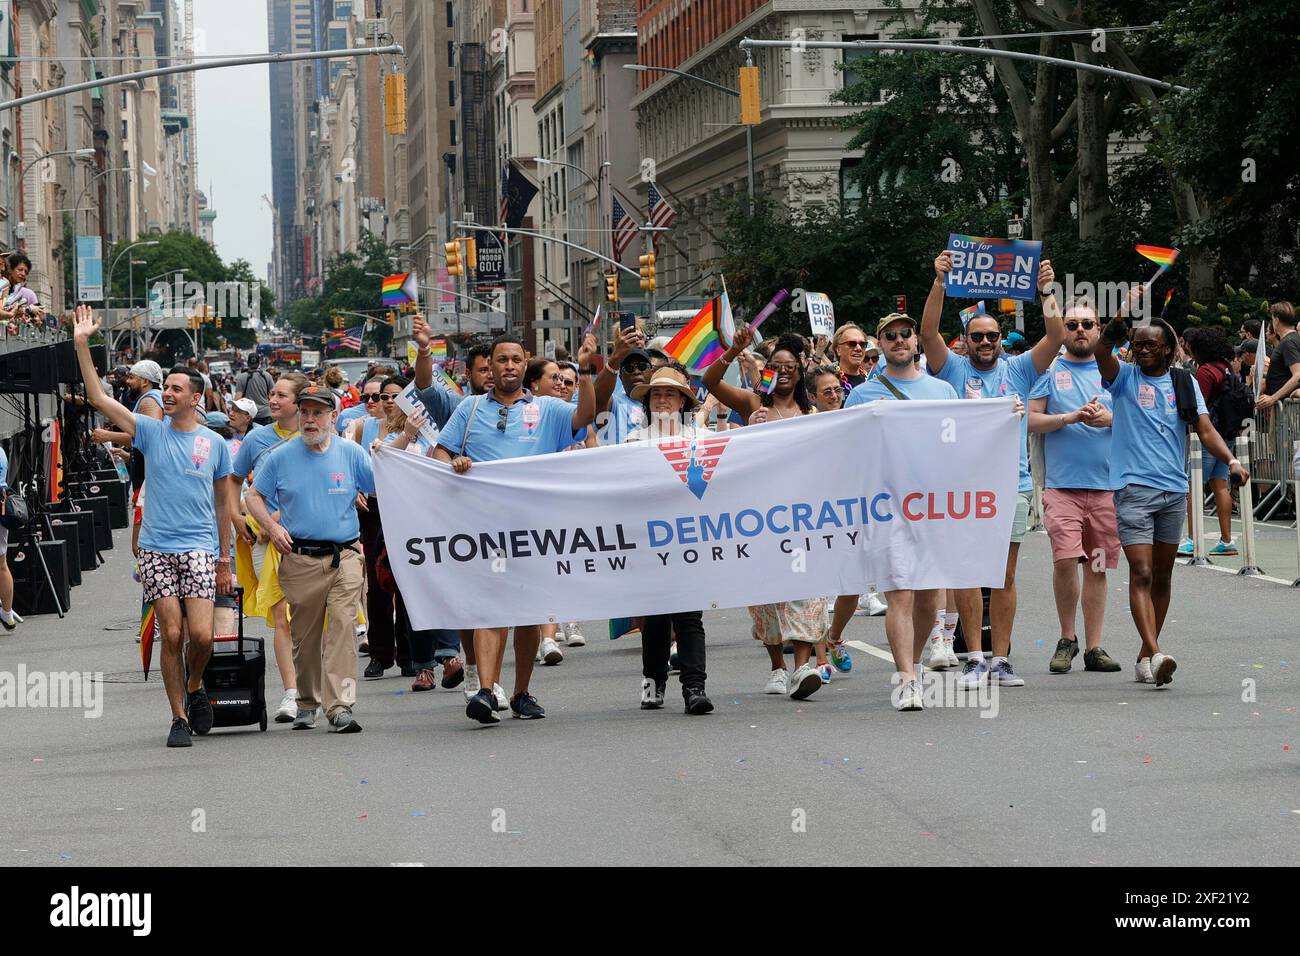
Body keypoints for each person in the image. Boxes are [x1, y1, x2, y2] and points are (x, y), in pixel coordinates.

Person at [73, 305, 234, 748]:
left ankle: (196, 684)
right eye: (167, 387)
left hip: (201, 548)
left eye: (178, 389)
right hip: (158, 550)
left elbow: (225, 503)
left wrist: (225, 558)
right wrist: (82, 344)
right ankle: (178, 717)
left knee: (201, 636)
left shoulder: (214, 443)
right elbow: (99, 398)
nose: (169, 393)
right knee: (174, 633)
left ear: (196, 399)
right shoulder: (151, 431)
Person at [434, 333, 597, 724]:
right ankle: (487, 691)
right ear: (490, 367)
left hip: (536, 529)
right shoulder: (470, 408)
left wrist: (587, 370)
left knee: (529, 611)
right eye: (500, 360)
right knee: (490, 608)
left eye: (515, 360)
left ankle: (522, 692)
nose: (508, 366)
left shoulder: (548, 408)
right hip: (485, 531)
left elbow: (585, 417)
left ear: (525, 364)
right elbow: (440, 451)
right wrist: (452, 464)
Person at [922, 250, 1065, 690]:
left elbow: (1056, 336)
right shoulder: (951, 370)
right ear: (965, 341)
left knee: (1003, 574)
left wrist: (1046, 291)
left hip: (1012, 487)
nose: (985, 344)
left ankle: (1000, 660)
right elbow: (927, 331)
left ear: (1001, 340)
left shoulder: (1019, 369)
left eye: (992, 337)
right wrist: (940, 282)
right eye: (977, 337)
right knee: (967, 571)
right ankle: (975, 659)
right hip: (963, 487)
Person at [1095, 310, 1248, 687]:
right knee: (1142, 572)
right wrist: (1111, 335)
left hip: (1173, 491)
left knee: (1163, 576)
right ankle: (1157, 650)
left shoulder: (1184, 382)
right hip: (1133, 490)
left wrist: (1230, 459)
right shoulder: (1124, 378)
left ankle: (1146, 656)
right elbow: (1102, 355)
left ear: (1169, 349)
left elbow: (1205, 427)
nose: (1142, 350)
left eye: (1151, 344)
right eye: (1138, 344)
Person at [703, 329, 825, 702]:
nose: (783, 372)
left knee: (807, 589)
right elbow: (709, 381)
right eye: (775, 366)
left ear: (801, 370)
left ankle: (803, 667)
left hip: (803, 515)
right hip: (760, 516)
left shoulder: (813, 411)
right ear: (766, 370)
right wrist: (734, 350)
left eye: (790, 366)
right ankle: (777, 667)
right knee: (767, 593)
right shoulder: (752, 403)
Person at [844, 311, 959, 708]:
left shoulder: (943, 392)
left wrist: (1004, 419)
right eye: (890, 335)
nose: (899, 340)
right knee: (901, 594)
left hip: (933, 507)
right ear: (880, 344)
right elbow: (846, 448)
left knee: (929, 599)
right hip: (886, 508)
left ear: (916, 341)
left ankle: (912, 660)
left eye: (905, 334)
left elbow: (963, 442)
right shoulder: (862, 395)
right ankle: (907, 678)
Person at [245, 385, 373, 733]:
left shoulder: (351, 453)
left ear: (333, 416)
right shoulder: (281, 456)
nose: (311, 419)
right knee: (305, 637)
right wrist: (272, 527)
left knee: (344, 628)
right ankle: (307, 701)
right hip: (299, 558)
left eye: (318, 412)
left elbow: (382, 483)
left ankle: (341, 704)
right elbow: (253, 497)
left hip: (344, 554)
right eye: (305, 412)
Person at [1026, 298, 1124, 675]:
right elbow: (1031, 420)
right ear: (1062, 330)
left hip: (1106, 488)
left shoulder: (1115, 371)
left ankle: (1094, 646)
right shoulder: (1047, 371)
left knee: (1097, 567)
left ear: (1098, 329)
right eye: (1072, 324)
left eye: (1087, 324)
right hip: (1062, 487)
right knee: (1066, 560)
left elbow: (1134, 420)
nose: (1080, 330)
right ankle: (1067, 638)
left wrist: (1109, 419)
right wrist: (1068, 418)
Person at [624, 363, 713, 715]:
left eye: (669, 394)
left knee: (689, 616)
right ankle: (653, 681)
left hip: (690, 539)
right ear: (647, 401)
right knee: (656, 616)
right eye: (656, 394)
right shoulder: (632, 442)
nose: (662, 399)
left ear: (682, 401)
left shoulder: (701, 440)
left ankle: (694, 687)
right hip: (648, 539)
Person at [229, 371, 309, 723]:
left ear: (300, 403)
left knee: (312, 620)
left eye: (281, 396)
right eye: (272, 394)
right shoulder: (257, 438)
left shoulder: (316, 434)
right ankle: (291, 695)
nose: (273, 401)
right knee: (282, 619)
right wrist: (237, 519)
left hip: (307, 539)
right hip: (263, 540)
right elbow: (233, 481)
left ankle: (314, 689)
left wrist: (275, 517)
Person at [1179, 326, 1240, 557]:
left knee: (1193, 486)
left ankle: (1193, 539)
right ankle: (1226, 541)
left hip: (1209, 436)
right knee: (1220, 485)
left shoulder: (1205, 371)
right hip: (1227, 435)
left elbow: (1198, 404)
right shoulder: (1226, 368)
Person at [594, 326, 652, 445]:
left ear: (652, 372)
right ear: (620, 377)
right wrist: (615, 358)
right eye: (629, 368)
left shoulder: (662, 403)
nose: (636, 372)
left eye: (642, 366)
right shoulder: (616, 404)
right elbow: (598, 399)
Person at [1257, 302, 1300, 411]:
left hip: (1289, 409)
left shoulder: (1288, 342)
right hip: (1284, 408)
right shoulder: (1291, 340)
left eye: (1272, 319)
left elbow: (1298, 375)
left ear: (1277, 320)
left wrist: (1273, 398)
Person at [0, 441, 21, 632]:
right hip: (2, 507)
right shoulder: (1, 452)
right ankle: (7, 613)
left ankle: (7, 613)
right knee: (2, 564)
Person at [236, 353, 275, 425]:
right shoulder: (267, 375)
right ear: (259, 363)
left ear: (248, 363)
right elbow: (273, 394)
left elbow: (238, 398)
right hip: (266, 413)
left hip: (250, 415)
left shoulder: (241, 377)